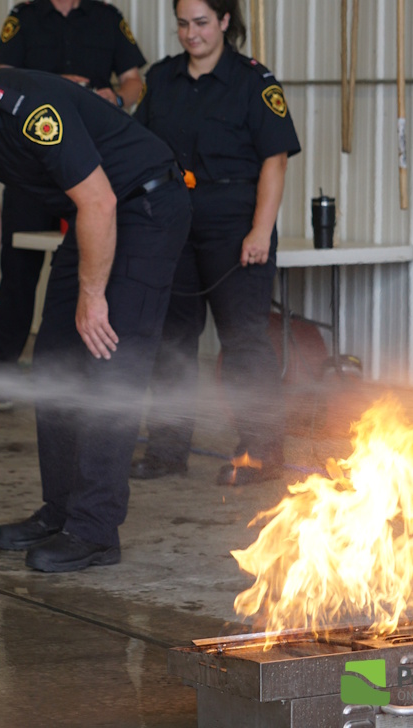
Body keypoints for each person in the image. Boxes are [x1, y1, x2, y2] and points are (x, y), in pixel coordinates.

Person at [0, 45, 191, 572]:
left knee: (108, 362)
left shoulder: (30, 108)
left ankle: (95, 531)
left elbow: (100, 201)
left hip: (144, 206)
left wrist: (93, 298)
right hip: (94, 215)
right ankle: (62, 510)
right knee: (54, 356)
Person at [130, 0, 301, 486]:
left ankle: (262, 454)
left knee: (244, 342)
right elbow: (139, 148)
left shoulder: (254, 82)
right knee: (171, 342)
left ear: (226, 21)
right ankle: (166, 451)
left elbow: (276, 160)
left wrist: (260, 231)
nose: (191, 34)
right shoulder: (161, 80)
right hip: (173, 227)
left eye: (201, 23)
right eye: (183, 24)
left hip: (234, 230)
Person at [0, 0, 147, 411]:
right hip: (31, 166)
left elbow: (134, 81)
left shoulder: (107, 18)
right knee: (18, 271)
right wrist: (54, 85)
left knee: (92, 265)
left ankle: (80, 374)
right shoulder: (23, 18)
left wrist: (117, 98)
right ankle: (3, 371)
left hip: (87, 166)